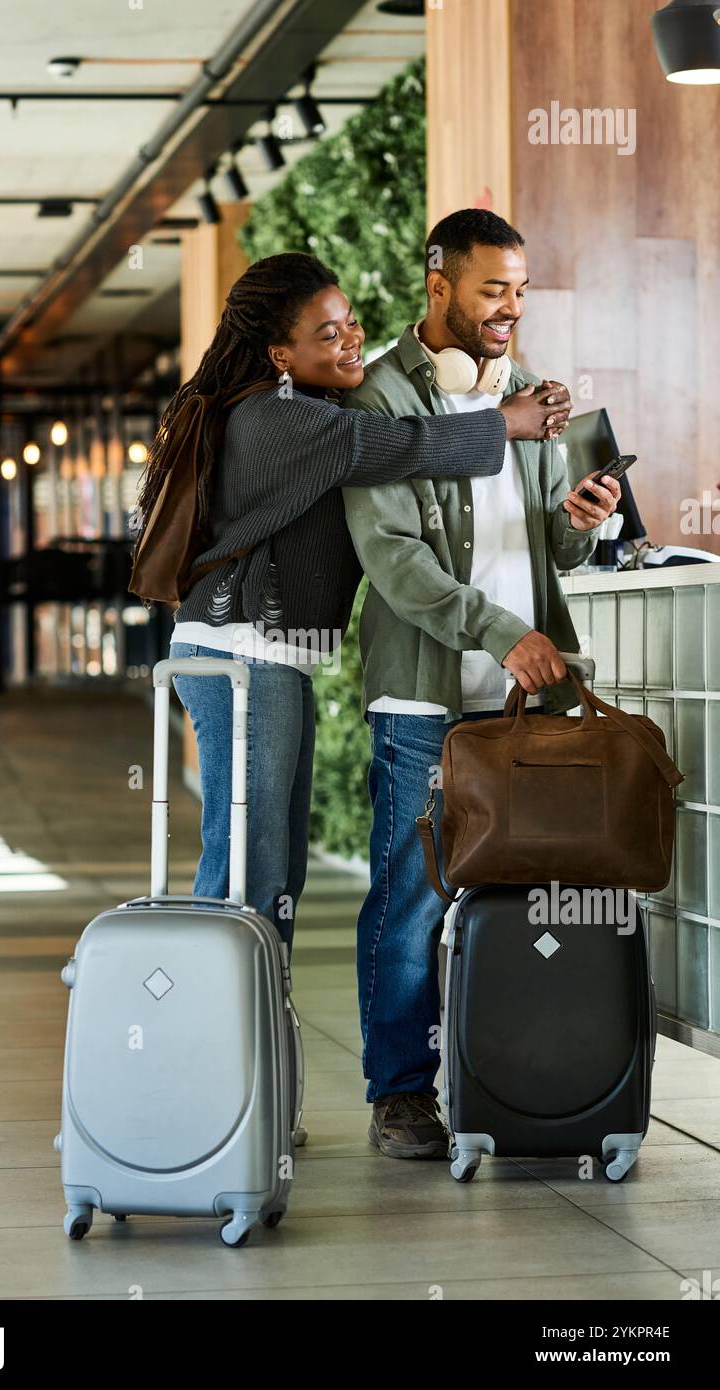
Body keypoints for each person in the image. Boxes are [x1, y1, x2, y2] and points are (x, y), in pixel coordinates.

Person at [136, 251, 571, 955]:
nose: (351, 342)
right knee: (248, 861)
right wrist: (505, 422)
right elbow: (393, 443)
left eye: (351, 324)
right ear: (280, 354)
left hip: (260, 659)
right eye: (328, 334)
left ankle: (253, 1024)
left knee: (271, 864)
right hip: (238, 655)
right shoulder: (279, 418)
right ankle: (214, 1030)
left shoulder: (294, 410)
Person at [341, 209, 620, 1159]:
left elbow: (545, 536)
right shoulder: (380, 400)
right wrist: (504, 634)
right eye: (491, 289)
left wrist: (582, 519)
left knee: (532, 890)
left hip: (518, 697)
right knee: (411, 897)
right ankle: (400, 1095)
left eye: (520, 289)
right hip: (424, 695)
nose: (510, 308)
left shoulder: (527, 396)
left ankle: (524, 1077)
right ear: (439, 284)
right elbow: (395, 562)